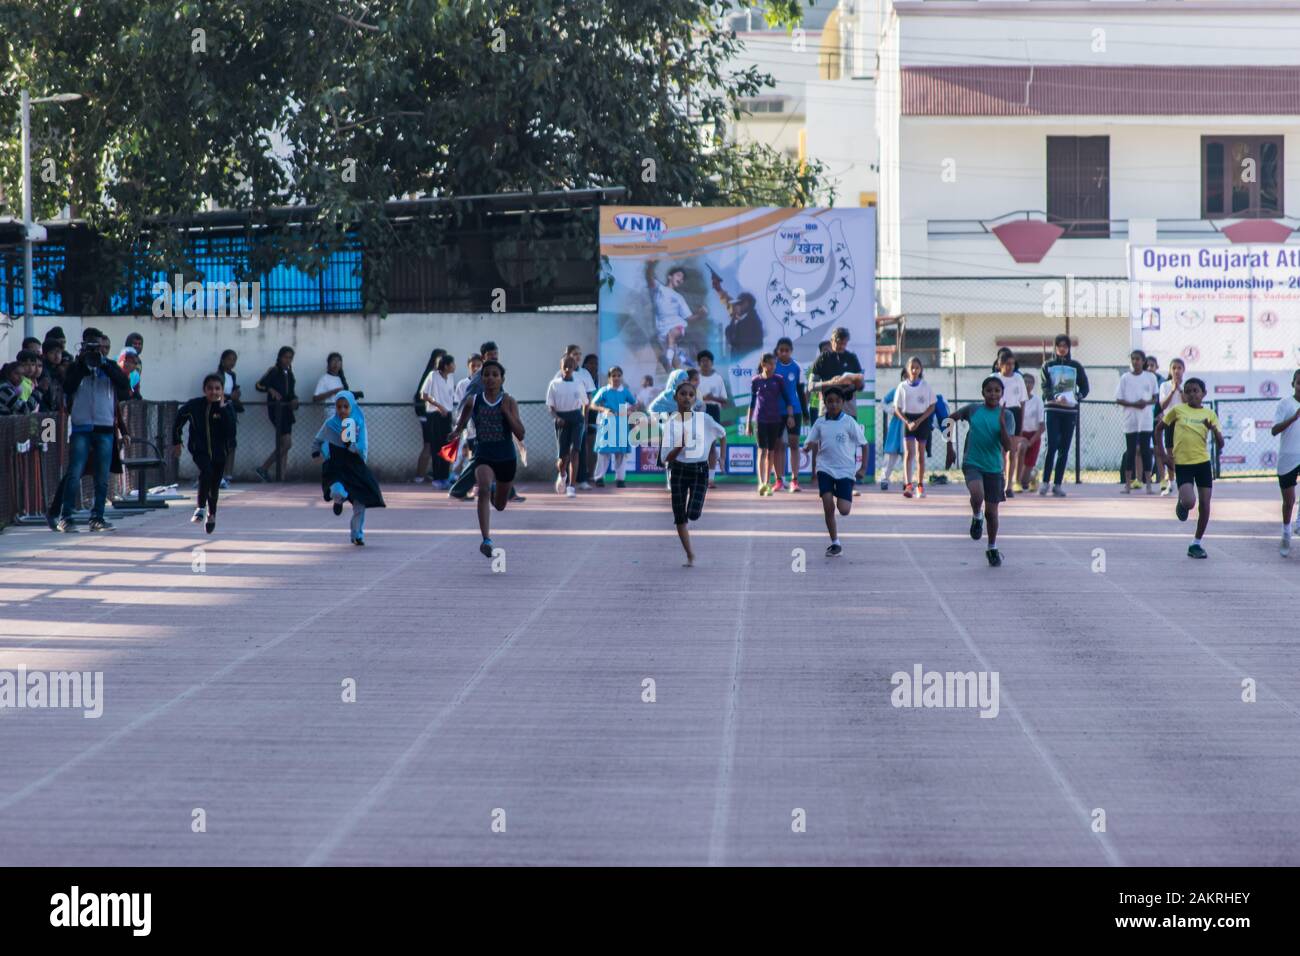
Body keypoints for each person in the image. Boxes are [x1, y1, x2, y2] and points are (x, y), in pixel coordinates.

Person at [53, 328, 132, 533]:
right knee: (75, 471)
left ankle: (97, 517)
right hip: (82, 427)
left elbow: (124, 386)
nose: (95, 351)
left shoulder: (110, 366)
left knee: (102, 475)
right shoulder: (75, 367)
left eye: (98, 347)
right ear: (83, 346)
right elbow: (68, 387)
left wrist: (104, 365)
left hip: (105, 427)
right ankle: (66, 517)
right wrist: (82, 365)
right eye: (90, 347)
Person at [447, 360, 525, 558]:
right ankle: (486, 539)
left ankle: (493, 493)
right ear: (481, 379)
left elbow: (521, 433)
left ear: (502, 379)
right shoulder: (474, 400)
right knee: (482, 488)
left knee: (499, 505)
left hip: (506, 457)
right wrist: (455, 433)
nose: (490, 378)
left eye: (495, 375)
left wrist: (507, 413)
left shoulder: (509, 401)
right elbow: (461, 424)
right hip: (484, 454)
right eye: (486, 374)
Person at [945, 377, 1015, 567]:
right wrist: (949, 448)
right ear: (983, 393)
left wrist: (1001, 425)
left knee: (992, 513)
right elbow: (949, 420)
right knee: (977, 495)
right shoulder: (973, 410)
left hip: (994, 468)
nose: (993, 394)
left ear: (1002, 393)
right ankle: (976, 515)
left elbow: (1008, 446)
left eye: (997, 391)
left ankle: (992, 548)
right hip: (973, 462)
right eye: (989, 390)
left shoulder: (1007, 416)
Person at [1154, 378, 1222, 559]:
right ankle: (1182, 501)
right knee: (1190, 502)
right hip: (1183, 464)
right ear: (1184, 394)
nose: (1192, 394)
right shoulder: (1178, 410)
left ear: (1203, 394)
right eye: (1188, 391)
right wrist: (1162, 453)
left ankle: (1196, 543)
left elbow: (1220, 443)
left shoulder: (1210, 414)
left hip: (1202, 463)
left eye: (1196, 391)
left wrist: (1213, 430)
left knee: (1205, 505)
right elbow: (1159, 428)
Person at [661, 379, 726, 566]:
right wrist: (678, 447)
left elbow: (722, 435)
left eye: (691, 394)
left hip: (699, 470)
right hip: (678, 470)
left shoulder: (704, 419)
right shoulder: (671, 424)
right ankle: (690, 554)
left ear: (695, 399)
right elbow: (666, 457)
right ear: (675, 397)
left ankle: (693, 514)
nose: (687, 398)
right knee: (680, 516)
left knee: (693, 513)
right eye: (683, 394)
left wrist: (721, 457)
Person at [311, 390, 386, 545]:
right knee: (337, 490)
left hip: (354, 466)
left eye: (346, 407)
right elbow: (318, 439)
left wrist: (353, 446)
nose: (342, 410)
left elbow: (362, 445)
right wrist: (316, 452)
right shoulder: (330, 424)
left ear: (351, 406)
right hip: (336, 466)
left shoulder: (357, 423)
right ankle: (338, 500)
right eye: (339, 407)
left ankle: (357, 535)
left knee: (360, 504)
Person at [804, 387, 867, 557]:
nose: (833, 404)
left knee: (844, 509)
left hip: (845, 471)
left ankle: (844, 493)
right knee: (827, 504)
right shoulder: (820, 423)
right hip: (824, 468)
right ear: (825, 403)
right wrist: (807, 446)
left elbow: (864, 444)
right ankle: (835, 542)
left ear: (842, 403)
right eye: (830, 401)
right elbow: (811, 441)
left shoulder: (849, 422)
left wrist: (862, 468)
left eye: (837, 401)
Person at [172, 374, 236, 534]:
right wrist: (176, 441)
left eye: (217, 389)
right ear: (204, 390)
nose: (213, 392)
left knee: (214, 485)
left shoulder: (227, 407)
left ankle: (211, 514)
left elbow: (231, 431)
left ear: (222, 390)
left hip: (220, 453)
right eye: (210, 388)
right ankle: (200, 507)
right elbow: (178, 419)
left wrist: (222, 410)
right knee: (206, 472)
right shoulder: (195, 405)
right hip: (199, 450)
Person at [1039, 334, 1090, 497]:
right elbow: (1044, 387)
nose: (1062, 348)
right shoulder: (1047, 365)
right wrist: (1054, 397)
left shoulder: (1076, 366)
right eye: (1059, 345)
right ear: (1055, 347)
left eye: (1065, 346)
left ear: (1068, 348)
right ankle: (1045, 482)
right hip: (1052, 409)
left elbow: (1085, 387)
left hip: (1069, 411)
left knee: (1064, 448)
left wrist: (1076, 397)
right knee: (1051, 445)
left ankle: (1058, 485)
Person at [747, 352, 791, 496]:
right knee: (762, 450)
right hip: (760, 420)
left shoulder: (779, 380)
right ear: (763, 364)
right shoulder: (755, 380)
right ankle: (761, 483)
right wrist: (748, 423)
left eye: (774, 364)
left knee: (771, 451)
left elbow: (787, 399)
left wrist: (790, 416)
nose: (773, 367)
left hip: (775, 420)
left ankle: (767, 483)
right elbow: (752, 403)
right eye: (770, 363)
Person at [1116, 349, 1159, 495]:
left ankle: (1148, 485)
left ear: (1143, 361)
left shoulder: (1150, 377)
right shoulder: (1125, 378)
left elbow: (1155, 398)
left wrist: (1145, 403)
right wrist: (1134, 404)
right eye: (1133, 359)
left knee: (1146, 450)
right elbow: (1119, 398)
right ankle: (1128, 485)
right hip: (1130, 418)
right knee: (1131, 450)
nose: (1135, 362)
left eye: (1138, 359)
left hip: (1145, 419)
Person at [648, 262, 706, 371]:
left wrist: (700, 314)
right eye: (679, 275)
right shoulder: (659, 289)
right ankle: (680, 361)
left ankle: (670, 361)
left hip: (677, 326)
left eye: (683, 278)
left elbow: (689, 318)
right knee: (675, 366)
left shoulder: (679, 297)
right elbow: (649, 278)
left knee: (672, 334)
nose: (681, 279)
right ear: (670, 276)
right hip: (661, 331)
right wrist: (651, 265)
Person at [893, 356, 936, 499]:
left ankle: (920, 486)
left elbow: (932, 405)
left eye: (917, 368)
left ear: (921, 369)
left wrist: (919, 420)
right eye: (911, 367)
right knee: (908, 453)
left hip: (922, 421)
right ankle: (908, 485)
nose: (914, 370)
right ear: (907, 369)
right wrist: (908, 422)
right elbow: (897, 408)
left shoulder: (926, 386)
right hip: (908, 421)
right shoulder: (902, 386)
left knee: (920, 454)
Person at [255, 346, 298, 481]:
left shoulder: (290, 375)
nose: (288, 360)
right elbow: (259, 385)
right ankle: (263, 468)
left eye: (290, 357)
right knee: (287, 444)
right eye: (285, 357)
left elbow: (290, 393)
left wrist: (294, 399)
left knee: (283, 445)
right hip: (277, 410)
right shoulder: (273, 371)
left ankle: (282, 477)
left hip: (287, 411)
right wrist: (270, 390)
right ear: (279, 357)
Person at [547, 354, 587, 498]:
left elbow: (585, 403)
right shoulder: (554, 384)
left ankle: (572, 486)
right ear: (561, 367)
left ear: (575, 367)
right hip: (562, 420)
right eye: (565, 365)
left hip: (576, 418)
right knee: (562, 458)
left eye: (571, 365)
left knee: (574, 451)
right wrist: (557, 418)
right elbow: (550, 407)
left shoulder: (579, 383)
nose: (568, 368)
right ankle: (562, 474)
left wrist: (583, 419)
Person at [1271, 369, 1300, 557]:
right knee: (1288, 501)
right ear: (1293, 384)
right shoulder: (1285, 403)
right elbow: (1274, 430)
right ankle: (1286, 532)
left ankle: (1299, 522)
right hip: (1288, 456)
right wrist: (1293, 417)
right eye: (1299, 383)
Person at [591, 366, 636, 488]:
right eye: (613, 375)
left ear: (621, 377)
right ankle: (599, 478)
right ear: (609, 378)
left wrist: (629, 411)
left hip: (621, 425)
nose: (616, 378)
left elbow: (635, 403)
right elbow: (593, 405)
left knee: (620, 454)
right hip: (606, 425)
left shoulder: (625, 391)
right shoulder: (604, 391)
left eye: (618, 375)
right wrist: (604, 409)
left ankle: (620, 479)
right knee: (604, 453)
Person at [420, 352, 457, 490]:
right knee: (436, 446)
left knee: (448, 445)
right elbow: (423, 395)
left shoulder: (451, 377)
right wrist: (439, 406)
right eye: (452, 363)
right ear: (446, 365)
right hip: (434, 415)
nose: (454, 366)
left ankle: (445, 476)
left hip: (447, 415)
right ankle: (437, 478)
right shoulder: (433, 376)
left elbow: (450, 396)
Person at [772, 337, 804, 492]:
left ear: (791, 351)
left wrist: (804, 412)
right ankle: (779, 480)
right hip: (776, 412)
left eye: (787, 350)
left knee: (794, 445)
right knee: (778, 446)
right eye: (781, 350)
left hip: (794, 411)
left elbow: (800, 391)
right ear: (777, 351)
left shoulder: (796, 367)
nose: (784, 353)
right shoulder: (772, 366)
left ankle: (795, 480)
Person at [994, 352, 1028, 498]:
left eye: (1013, 364)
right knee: (999, 451)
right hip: (998, 412)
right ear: (1000, 365)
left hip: (1014, 413)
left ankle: (1009, 486)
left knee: (1011, 452)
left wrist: (1021, 421)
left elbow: (1022, 401)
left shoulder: (1018, 378)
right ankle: (998, 482)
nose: (1010, 367)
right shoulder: (994, 378)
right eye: (1007, 364)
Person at [412, 348, 445, 483]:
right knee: (429, 445)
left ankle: (433, 474)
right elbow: (421, 396)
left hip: (433, 415)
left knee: (436, 445)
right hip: (428, 415)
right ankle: (419, 477)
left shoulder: (439, 376)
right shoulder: (432, 375)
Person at [696, 350, 729, 487]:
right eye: (702, 361)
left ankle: (711, 479)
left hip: (713, 410)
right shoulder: (695, 378)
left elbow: (724, 400)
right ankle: (697, 477)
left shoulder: (718, 378)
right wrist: (701, 398)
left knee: (711, 445)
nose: (705, 363)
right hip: (697, 410)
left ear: (712, 362)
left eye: (707, 361)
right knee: (697, 444)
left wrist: (712, 398)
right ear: (699, 363)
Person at [712, 271, 764, 359]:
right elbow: (728, 301)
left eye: (738, 304)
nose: (735, 306)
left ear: (746, 304)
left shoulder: (752, 322)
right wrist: (718, 289)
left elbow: (733, 340)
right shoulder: (742, 317)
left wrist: (733, 320)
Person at [1155, 357, 1185, 496]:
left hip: (1184, 423)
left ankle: (1184, 483)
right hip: (1169, 422)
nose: (1176, 371)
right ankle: (1171, 484)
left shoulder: (1187, 386)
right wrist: (1172, 391)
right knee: (1170, 454)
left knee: (1183, 454)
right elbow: (1163, 405)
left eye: (1179, 368)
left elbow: (1188, 403)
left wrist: (1179, 389)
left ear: (1183, 370)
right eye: (1174, 368)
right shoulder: (1164, 386)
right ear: (1170, 370)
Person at [217, 349, 243, 487]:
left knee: (231, 442)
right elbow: (216, 394)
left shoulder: (232, 375)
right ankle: (219, 474)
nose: (232, 362)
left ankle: (228, 474)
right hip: (220, 410)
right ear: (222, 360)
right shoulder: (217, 376)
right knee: (221, 442)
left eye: (234, 360)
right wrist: (228, 397)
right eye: (229, 359)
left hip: (230, 410)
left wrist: (236, 394)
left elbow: (233, 390)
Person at [879, 369, 907, 491]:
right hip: (896, 427)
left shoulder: (918, 393)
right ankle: (884, 479)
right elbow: (883, 402)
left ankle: (907, 481)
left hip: (910, 427)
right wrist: (892, 411)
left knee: (909, 455)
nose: (907, 379)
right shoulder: (896, 391)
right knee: (890, 454)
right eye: (904, 376)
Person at [1018, 371, 1045, 492]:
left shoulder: (1038, 401)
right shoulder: (1016, 401)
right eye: (1025, 382)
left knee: (1025, 481)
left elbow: (1042, 426)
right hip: (1020, 435)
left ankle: (1032, 475)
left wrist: (1031, 441)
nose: (1027, 384)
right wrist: (1019, 438)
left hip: (1034, 436)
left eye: (1030, 382)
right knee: (1020, 450)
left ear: (1033, 385)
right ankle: (1015, 481)